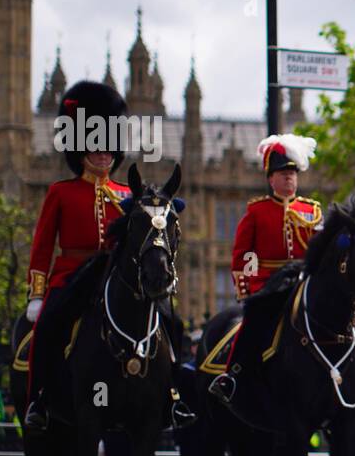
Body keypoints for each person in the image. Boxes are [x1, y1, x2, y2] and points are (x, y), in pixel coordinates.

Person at [22, 80, 193, 432]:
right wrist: (38, 293)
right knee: (49, 323)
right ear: (81, 151)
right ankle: (39, 398)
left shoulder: (126, 197)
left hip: (116, 275)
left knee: (171, 324)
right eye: (95, 149)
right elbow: (42, 246)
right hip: (71, 274)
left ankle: (172, 398)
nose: (103, 156)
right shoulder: (61, 192)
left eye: (108, 151)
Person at [208, 134, 322, 406]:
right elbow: (244, 254)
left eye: (292, 173)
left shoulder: (312, 211)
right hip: (269, 284)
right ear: (271, 179)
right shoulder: (258, 212)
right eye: (283, 174)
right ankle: (232, 375)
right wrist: (249, 289)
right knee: (253, 323)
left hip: (304, 282)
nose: (289, 179)